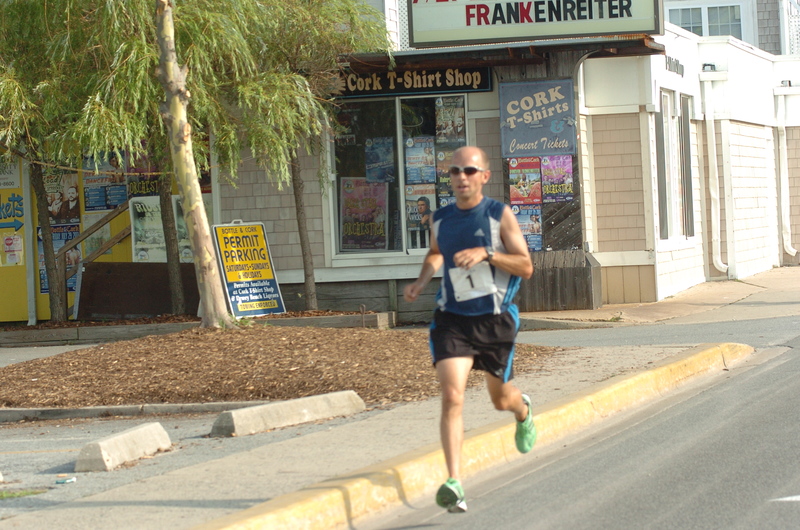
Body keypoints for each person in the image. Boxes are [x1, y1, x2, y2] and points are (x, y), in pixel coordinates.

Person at [403, 146, 535, 513]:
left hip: (495, 320)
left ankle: (522, 411)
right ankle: (454, 482)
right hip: (453, 319)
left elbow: (525, 266)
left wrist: (487, 253)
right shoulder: (441, 219)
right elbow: (435, 252)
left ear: (484, 176)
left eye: (469, 170)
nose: (461, 177)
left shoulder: (499, 215)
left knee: (500, 400)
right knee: (452, 396)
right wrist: (422, 279)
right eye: (455, 171)